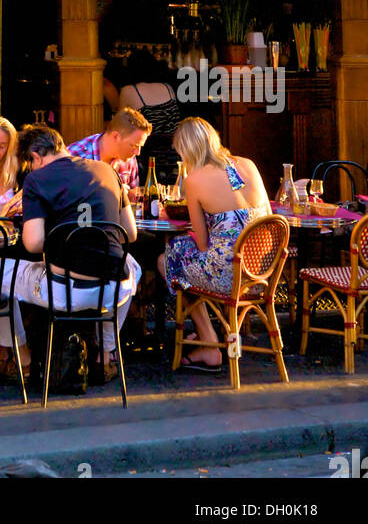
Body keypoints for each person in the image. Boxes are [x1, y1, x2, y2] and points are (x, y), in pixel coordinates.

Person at [0, 124, 142, 382]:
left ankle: (23, 358)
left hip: (65, 291)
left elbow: (33, 244)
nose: (30, 169)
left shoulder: (36, 180)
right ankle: (106, 356)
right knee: (133, 265)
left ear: (35, 156)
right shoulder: (108, 170)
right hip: (112, 291)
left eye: (29, 163)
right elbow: (130, 234)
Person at [159, 117, 271, 371]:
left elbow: (201, 243)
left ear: (187, 150)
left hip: (228, 276)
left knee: (168, 261)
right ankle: (213, 337)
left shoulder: (195, 179)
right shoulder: (249, 164)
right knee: (187, 258)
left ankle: (209, 343)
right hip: (260, 271)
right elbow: (264, 213)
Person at [118, 48, 181, 184]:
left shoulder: (129, 91)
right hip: (175, 159)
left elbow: (120, 122)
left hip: (147, 161)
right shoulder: (167, 88)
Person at [67, 107, 151, 190]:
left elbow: (133, 195)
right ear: (116, 136)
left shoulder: (129, 157)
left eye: (140, 146)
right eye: (134, 145)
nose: (138, 152)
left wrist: (130, 196)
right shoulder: (76, 157)